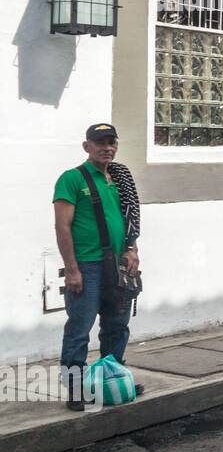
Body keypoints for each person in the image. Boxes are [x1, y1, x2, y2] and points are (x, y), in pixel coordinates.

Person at [53, 124, 143, 411]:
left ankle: (113, 380)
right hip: (87, 266)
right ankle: (75, 390)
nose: (107, 148)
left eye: (111, 142)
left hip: (117, 265)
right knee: (80, 328)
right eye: (100, 143)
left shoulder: (119, 179)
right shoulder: (71, 179)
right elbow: (62, 226)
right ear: (86, 146)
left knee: (117, 327)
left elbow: (129, 220)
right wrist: (71, 269)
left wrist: (132, 249)